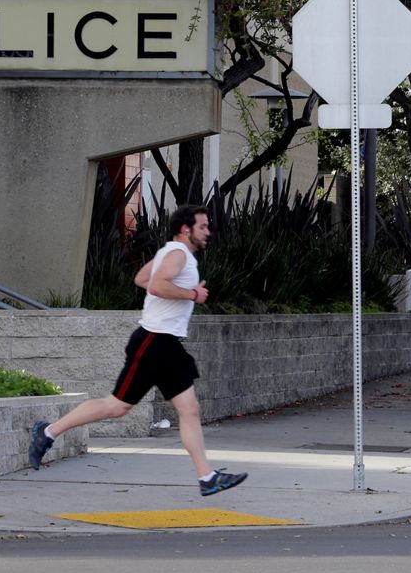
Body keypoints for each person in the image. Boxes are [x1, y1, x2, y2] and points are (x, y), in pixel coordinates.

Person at [28, 205, 247, 497]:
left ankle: (207, 478)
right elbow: (155, 285)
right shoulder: (178, 254)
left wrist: (179, 291)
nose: (208, 231)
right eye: (203, 226)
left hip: (165, 344)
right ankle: (47, 432)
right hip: (153, 342)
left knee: (187, 409)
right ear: (186, 229)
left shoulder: (170, 253)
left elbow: (142, 279)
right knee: (116, 406)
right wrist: (193, 295)